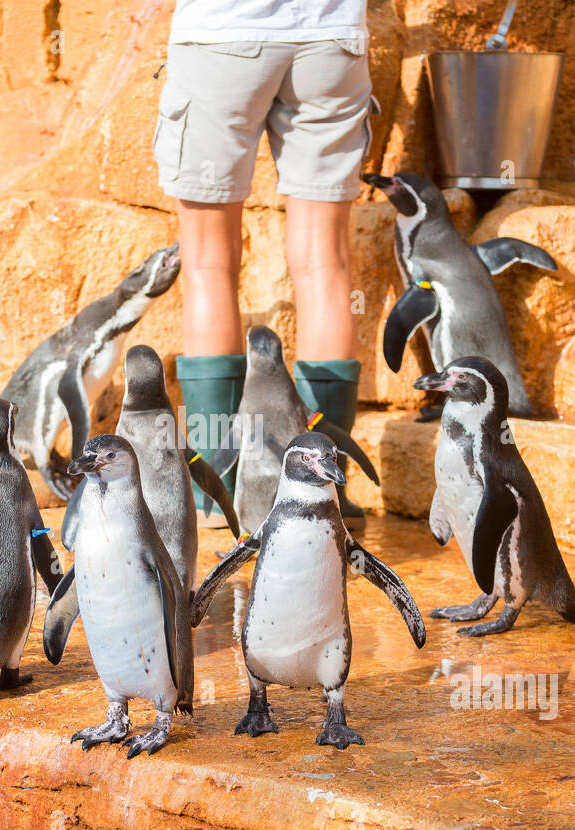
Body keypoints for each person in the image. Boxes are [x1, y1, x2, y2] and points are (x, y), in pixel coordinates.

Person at [153, 0, 375, 526]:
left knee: (208, 264)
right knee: (326, 263)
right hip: (332, 41)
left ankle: (215, 492)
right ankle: (324, 487)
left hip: (222, 35)